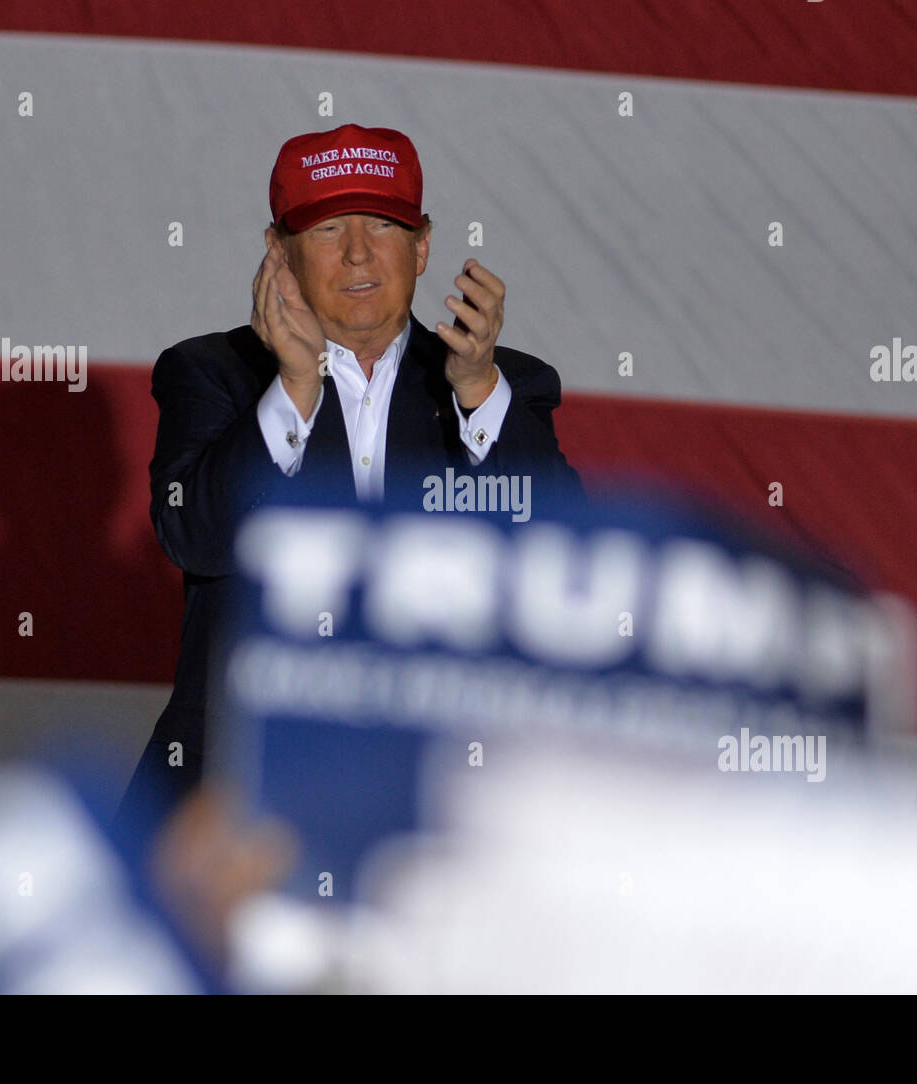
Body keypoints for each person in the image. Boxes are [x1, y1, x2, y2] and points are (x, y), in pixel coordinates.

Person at [115, 123, 582, 831]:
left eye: (384, 226)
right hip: (240, 801)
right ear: (279, 250)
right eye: (331, 228)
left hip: (437, 804)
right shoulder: (214, 374)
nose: (359, 252)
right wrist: (295, 388)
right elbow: (193, 535)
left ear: (422, 246)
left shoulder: (502, 385)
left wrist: (479, 391)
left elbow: (563, 554)